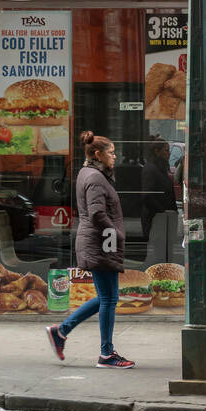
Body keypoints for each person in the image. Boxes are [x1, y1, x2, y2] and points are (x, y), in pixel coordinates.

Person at [47, 131, 134, 368]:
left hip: (98, 241)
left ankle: (61, 331)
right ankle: (106, 354)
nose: (115, 156)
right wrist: (115, 233)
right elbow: (97, 214)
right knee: (109, 299)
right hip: (100, 242)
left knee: (107, 297)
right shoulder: (95, 178)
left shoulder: (89, 173)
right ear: (98, 154)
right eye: (111, 152)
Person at [140, 136, 177, 240]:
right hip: (156, 222)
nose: (168, 154)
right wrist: (162, 213)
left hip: (163, 221)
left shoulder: (161, 169)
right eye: (166, 151)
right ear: (157, 151)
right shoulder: (151, 169)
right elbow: (147, 196)